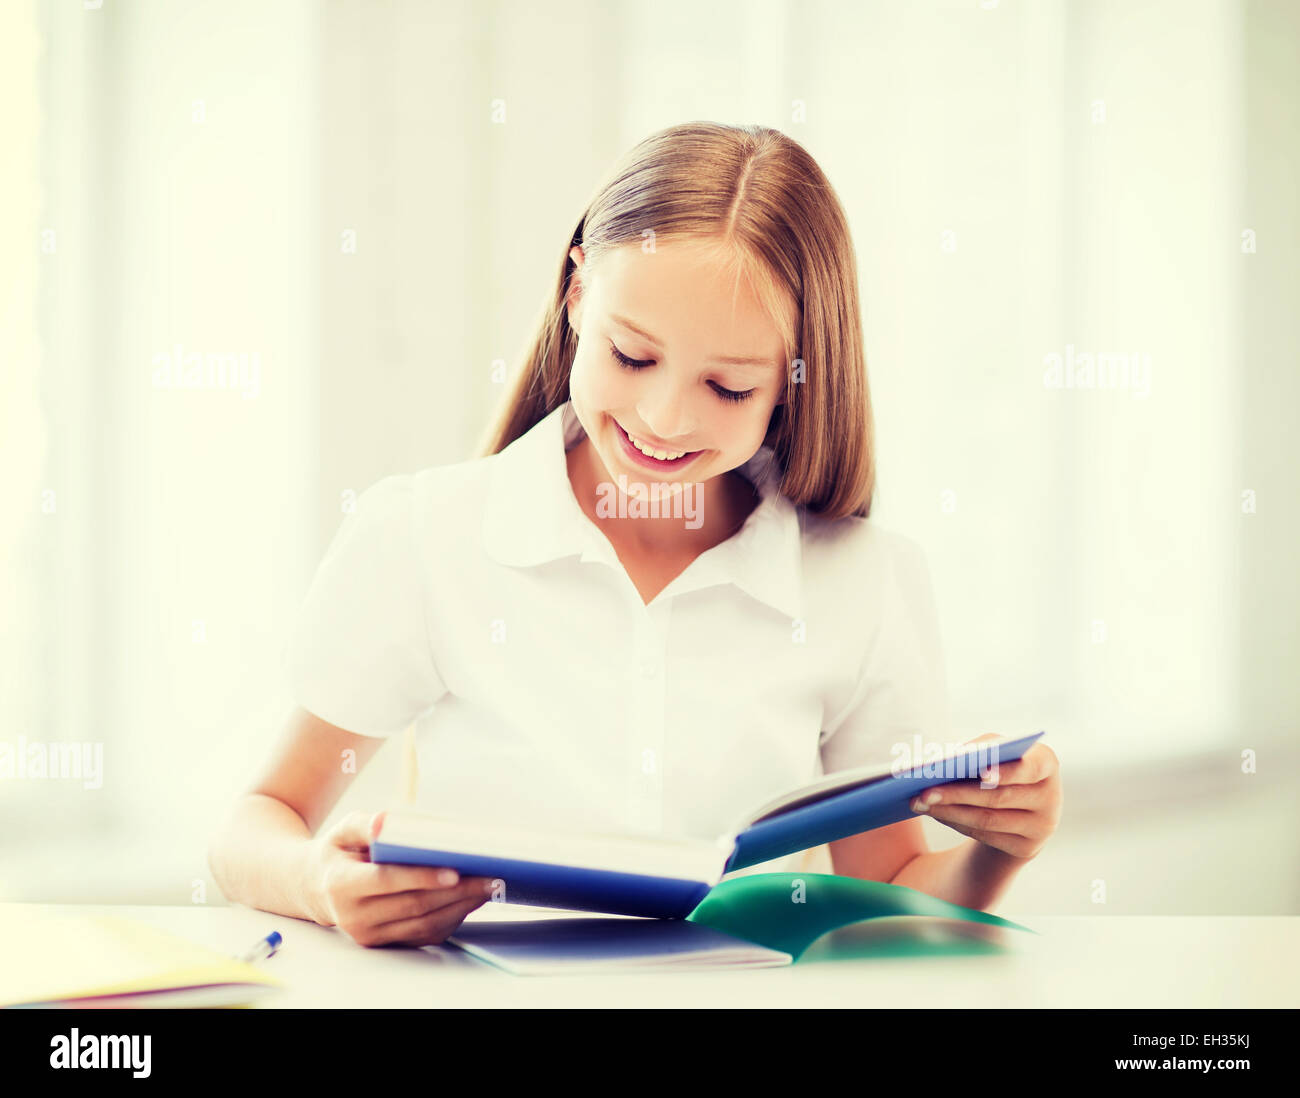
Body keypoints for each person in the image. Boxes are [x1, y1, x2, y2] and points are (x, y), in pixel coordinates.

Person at [208, 121, 1062, 949]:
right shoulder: (425, 536)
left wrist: (997, 851)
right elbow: (253, 828)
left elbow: (889, 905)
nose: (662, 419)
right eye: (633, 356)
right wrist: (321, 885)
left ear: (796, 383)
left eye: (727, 388)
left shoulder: (864, 581)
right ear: (578, 293)